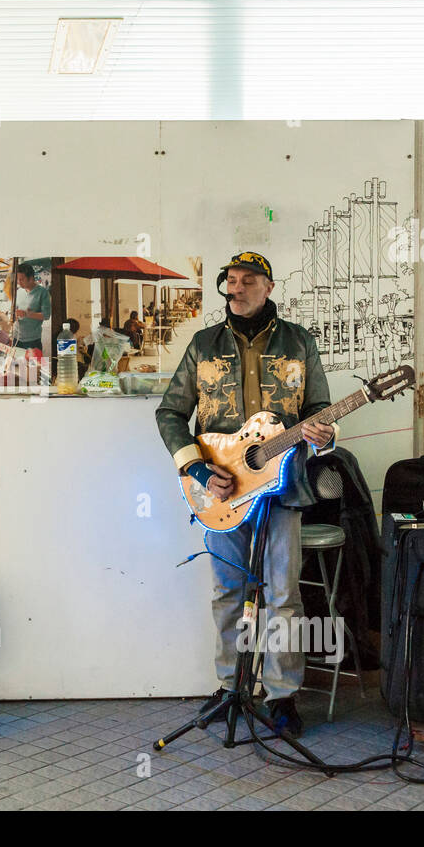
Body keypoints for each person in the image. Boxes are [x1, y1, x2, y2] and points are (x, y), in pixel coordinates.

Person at [155, 251, 337, 739]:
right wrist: (195, 467)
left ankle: (281, 696)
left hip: (284, 487)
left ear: (269, 287)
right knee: (228, 592)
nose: (235, 289)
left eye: (247, 281)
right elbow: (170, 413)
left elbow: (320, 408)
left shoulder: (300, 342)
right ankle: (230, 687)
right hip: (221, 493)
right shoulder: (202, 345)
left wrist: (324, 434)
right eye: (230, 281)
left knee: (283, 597)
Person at [13, 263, 51, 352]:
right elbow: (16, 310)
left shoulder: (43, 292)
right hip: (16, 337)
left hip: (32, 340)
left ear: (31, 278)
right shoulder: (19, 292)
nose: (18, 282)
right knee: (17, 365)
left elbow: (46, 315)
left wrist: (28, 314)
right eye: (17, 279)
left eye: (21, 279)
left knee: (34, 365)